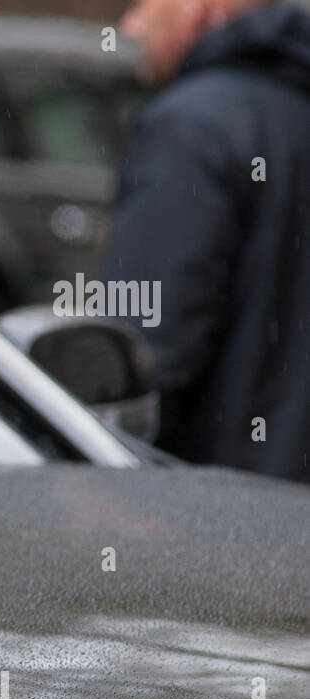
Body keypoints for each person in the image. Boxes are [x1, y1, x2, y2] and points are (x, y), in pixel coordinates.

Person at [105, 0, 310, 482]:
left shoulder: (191, 127)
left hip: (220, 514)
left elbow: (145, 358)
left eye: (142, 5)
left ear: (198, 8)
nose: (128, 25)